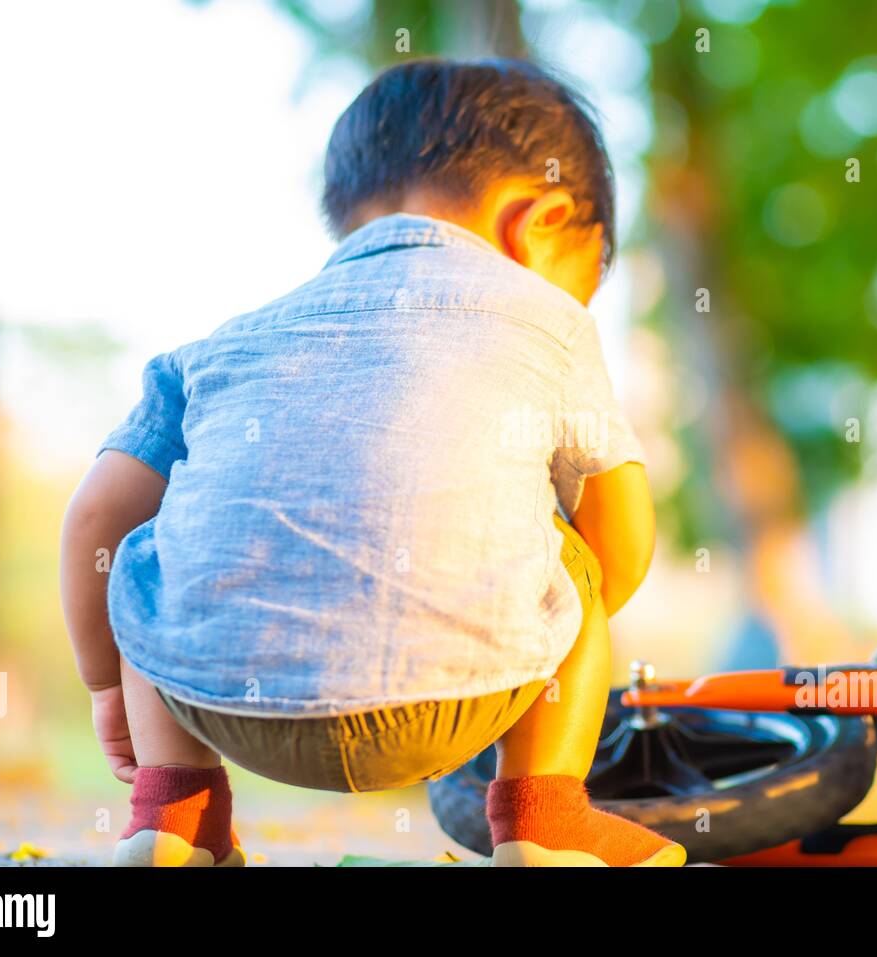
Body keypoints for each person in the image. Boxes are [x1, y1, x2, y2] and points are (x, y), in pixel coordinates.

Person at [59, 58, 684, 868]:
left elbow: (96, 518)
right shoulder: (546, 323)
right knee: (573, 557)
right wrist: (530, 643)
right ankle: (544, 822)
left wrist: (110, 686)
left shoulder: (223, 344)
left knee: (155, 550)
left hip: (219, 701)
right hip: (456, 700)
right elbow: (623, 536)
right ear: (538, 219)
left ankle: (174, 817)